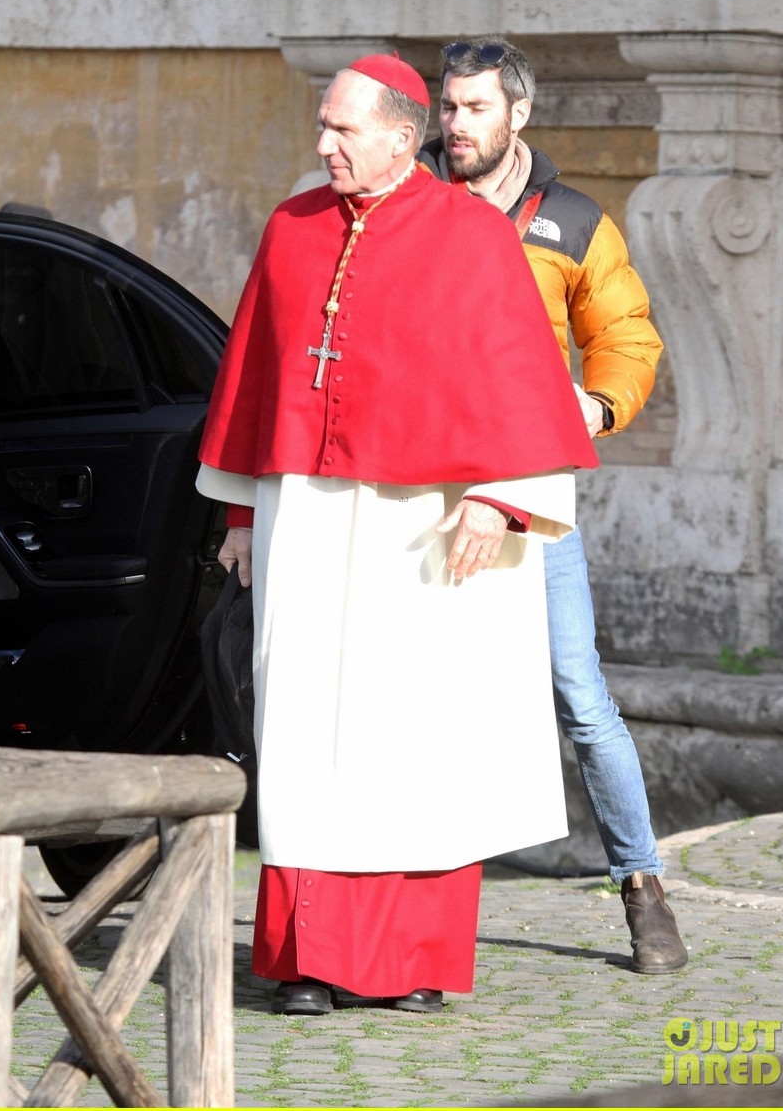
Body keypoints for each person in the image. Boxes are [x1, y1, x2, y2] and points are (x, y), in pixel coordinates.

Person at [196, 53, 599, 1015]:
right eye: (322, 126)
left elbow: (515, 380)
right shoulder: (289, 229)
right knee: (309, 737)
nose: (322, 143)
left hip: (427, 529)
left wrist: (501, 499)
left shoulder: (469, 235)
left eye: (341, 129)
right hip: (306, 518)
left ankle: (412, 963)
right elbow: (254, 375)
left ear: (399, 135)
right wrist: (244, 513)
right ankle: (304, 961)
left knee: (416, 740)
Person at [419, 37, 688, 975]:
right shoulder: (405, 206)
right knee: (416, 696)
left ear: (516, 115)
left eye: (474, 109)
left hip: (531, 490)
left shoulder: (572, 221)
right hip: (415, 490)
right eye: (447, 108)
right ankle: (411, 906)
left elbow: (623, 333)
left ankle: (642, 887)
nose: (455, 126)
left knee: (578, 693)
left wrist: (597, 402)